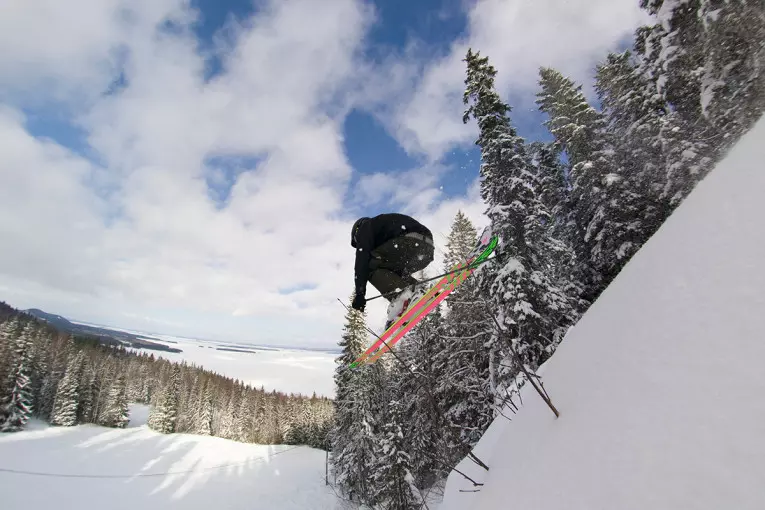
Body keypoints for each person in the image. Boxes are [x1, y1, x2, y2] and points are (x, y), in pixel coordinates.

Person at [350, 213, 435, 312]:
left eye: (357, 241)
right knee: (393, 273)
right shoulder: (382, 227)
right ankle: (419, 293)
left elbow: (362, 260)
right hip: (427, 250)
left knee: (369, 266)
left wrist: (360, 294)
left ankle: (403, 298)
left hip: (409, 243)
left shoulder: (365, 227)